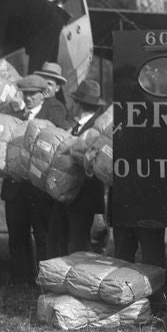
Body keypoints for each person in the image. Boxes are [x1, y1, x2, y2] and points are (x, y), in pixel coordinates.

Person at [2, 73, 69, 286]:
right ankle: (20, 280)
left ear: (43, 95)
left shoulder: (54, 114)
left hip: (38, 189)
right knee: (17, 234)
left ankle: (45, 281)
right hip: (14, 187)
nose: (29, 98)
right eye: (26, 94)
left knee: (43, 235)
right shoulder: (13, 114)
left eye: (33, 94)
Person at [63, 79, 108, 254]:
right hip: (76, 195)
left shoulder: (94, 129)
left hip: (86, 196)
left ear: (78, 104)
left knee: (81, 244)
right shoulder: (79, 126)